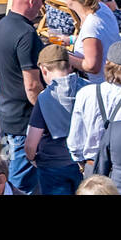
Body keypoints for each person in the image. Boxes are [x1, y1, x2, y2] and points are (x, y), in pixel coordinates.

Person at [0, 0, 47, 195]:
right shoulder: (27, 34)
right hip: (24, 121)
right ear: (32, 1)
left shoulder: (2, 25)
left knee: (7, 179)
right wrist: (47, 113)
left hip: (6, 115)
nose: (41, 8)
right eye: (41, 1)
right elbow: (32, 86)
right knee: (20, 185)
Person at [25, 44, 85, 195]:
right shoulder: (89, 89)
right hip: (84, 164)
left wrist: (32, 158)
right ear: (70, 66)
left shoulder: (45, 98)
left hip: (52, 167)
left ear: (44, 70)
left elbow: (31, 143)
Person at [68, 40, 121, 168]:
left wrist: (80, 162)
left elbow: (75, 138)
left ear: (107, 63)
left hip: (92, 164)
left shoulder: (86, 93)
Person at [63, 0, 121, 84]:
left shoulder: (91, 26)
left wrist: (64, 55)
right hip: (114, 77)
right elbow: (102, 38)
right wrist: (70, 39)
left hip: (98, 86)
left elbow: (92, 66)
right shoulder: (101, 8)